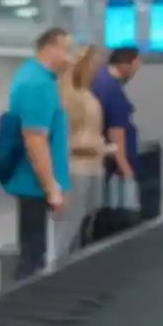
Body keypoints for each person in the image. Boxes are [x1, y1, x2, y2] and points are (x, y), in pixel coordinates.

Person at [2, 27, 72, 281]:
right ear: (50, 48)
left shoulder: (39, 79)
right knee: (33, 258)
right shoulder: (36, 83)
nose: (68, 57)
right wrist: (52, 187)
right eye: (65, 50)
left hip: (36, 183)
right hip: (34, 184)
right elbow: (35, 139)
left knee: (36, 253)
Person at [57, 47, 108, 257]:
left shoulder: (89, 97)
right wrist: (90, 147)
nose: (96, 70)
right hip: (77, 169)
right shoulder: (71, 97)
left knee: (86, 228)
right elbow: (60, 141)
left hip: (94, 168)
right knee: (69, 230)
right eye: (92, 64)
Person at [91, 46, 142, 205]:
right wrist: (125, 168)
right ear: (127, 64)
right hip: (108, 165)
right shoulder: (112, 90)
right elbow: (116, 135)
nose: (136, 70)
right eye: (136, 65)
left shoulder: (98, 81)